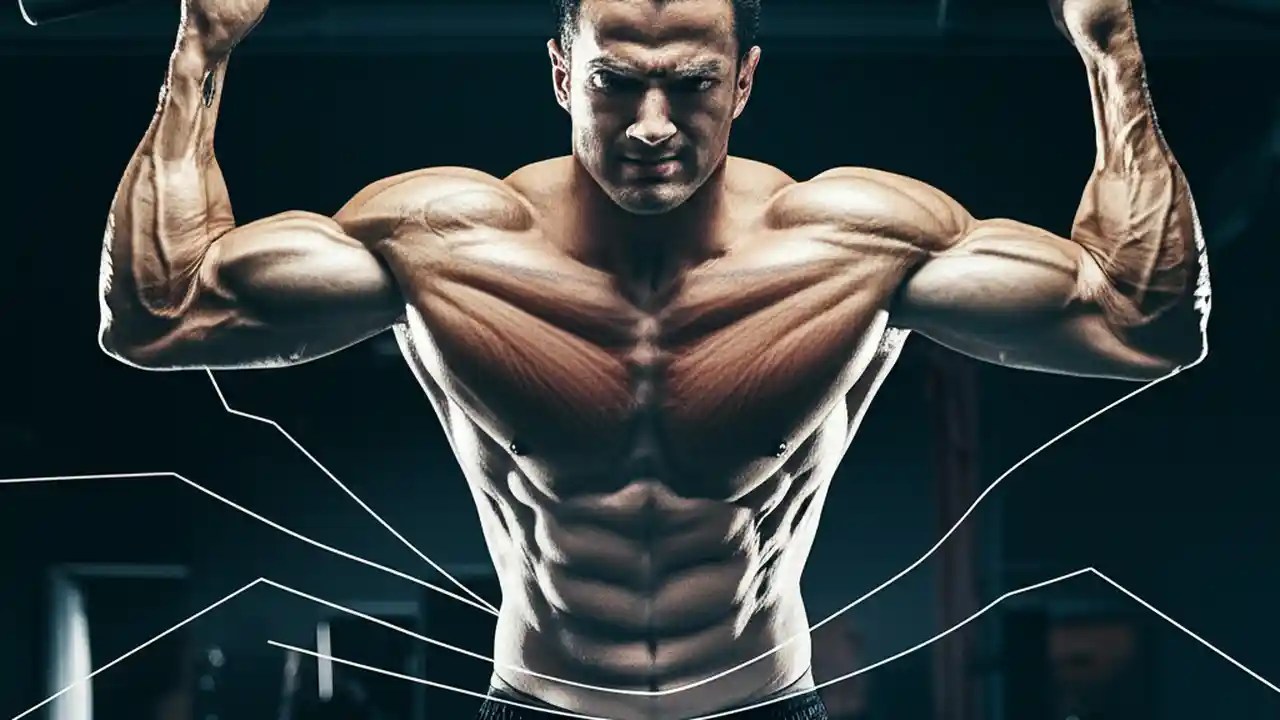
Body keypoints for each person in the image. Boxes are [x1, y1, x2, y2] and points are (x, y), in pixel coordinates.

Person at [95, 0, 1209, 717]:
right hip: (540, 705)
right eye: (616, 81)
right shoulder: (447, 242)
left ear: (744, 80)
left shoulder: (851, 244)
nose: (650, 125)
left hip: (760, 707)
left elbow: (1143, 324)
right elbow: (159, 314)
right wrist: (202, 44)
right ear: (559, 71)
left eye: (689, 84)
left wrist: (1109, 46)